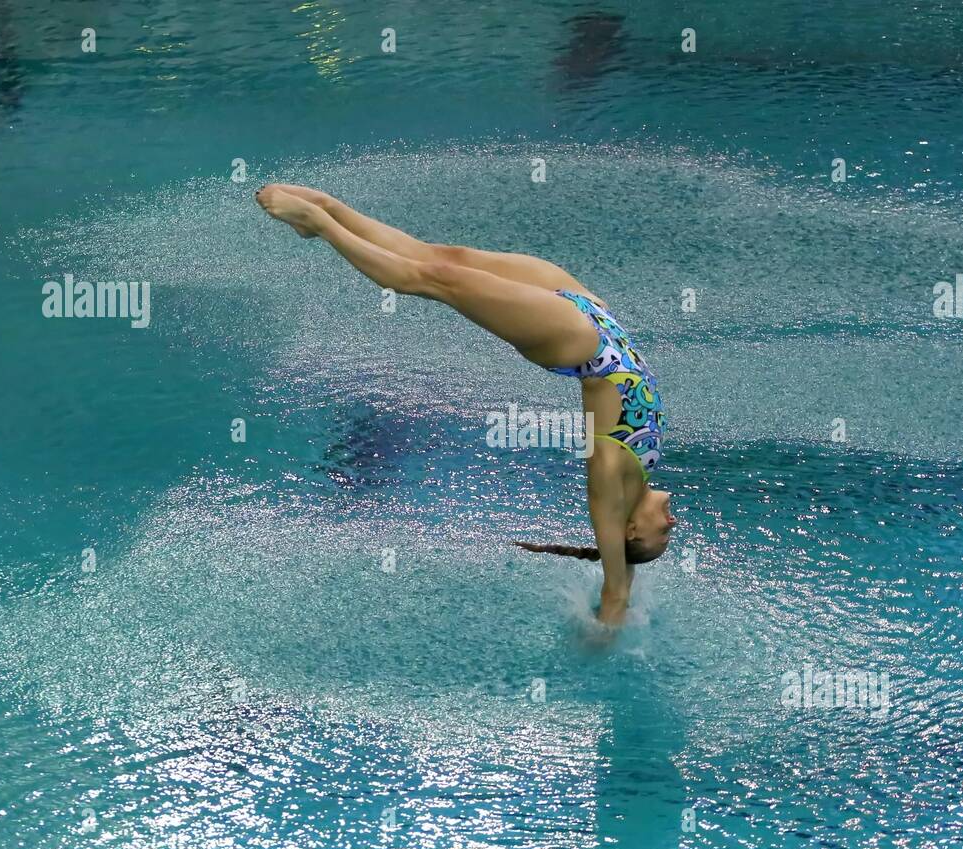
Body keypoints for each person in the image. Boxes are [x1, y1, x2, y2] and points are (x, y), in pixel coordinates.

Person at [256, 184, 674, 625]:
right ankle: (331, 210)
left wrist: (611, 617)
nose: (671, 525)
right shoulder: (640, 475)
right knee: (444, 256)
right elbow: (624, 564)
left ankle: (320, 225)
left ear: (629, 529)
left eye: (660, 535)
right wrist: (627, 569)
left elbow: (614, 580)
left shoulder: (612, 475)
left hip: (576, 341)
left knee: (434, 280)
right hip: (593, 315)